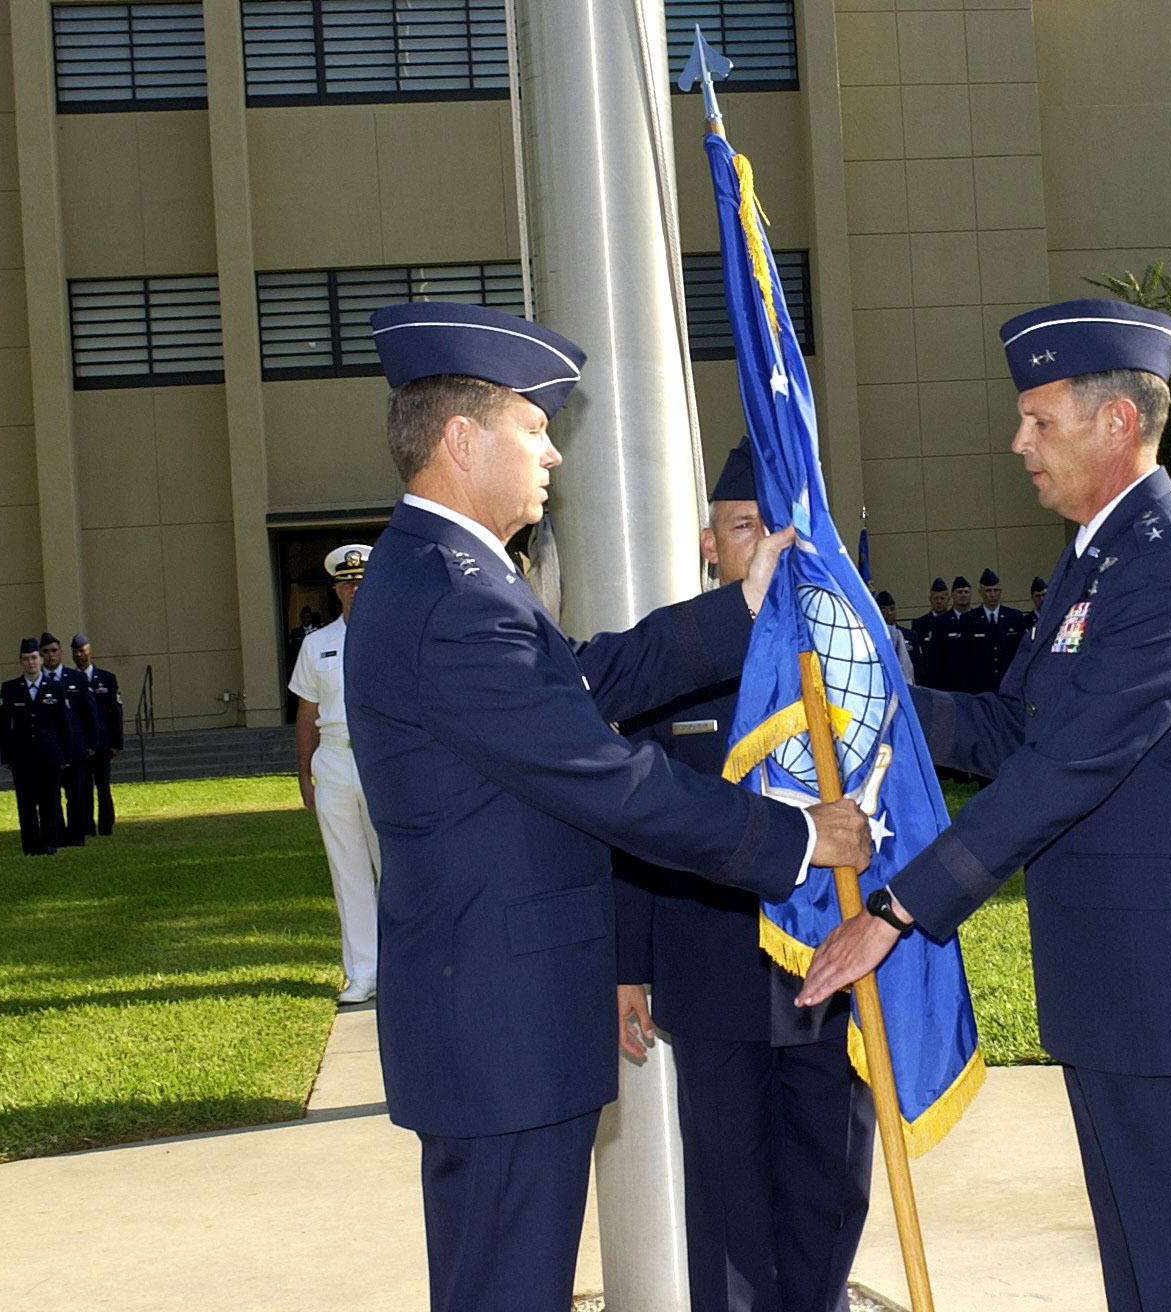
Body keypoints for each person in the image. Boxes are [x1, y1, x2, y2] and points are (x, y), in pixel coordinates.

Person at [341, 301, 873, 1312]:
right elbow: (608, 775)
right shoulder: (455, 598)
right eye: (532, 427)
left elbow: (582, 682)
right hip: (500, 1023)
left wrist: (743, 607)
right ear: (460, 441)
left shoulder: (441, 576)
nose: (551, 451)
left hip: (491, 1012)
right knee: (506, 1284)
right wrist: (794, 836)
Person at [800, 297, 1171, 1312]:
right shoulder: (1098, 559)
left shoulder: (1170, 573)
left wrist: (895, 910)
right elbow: (1014, 731)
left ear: (1115, 422)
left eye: (1038, 420)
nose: (1017, 442)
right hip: (1108, 975)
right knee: (1140, 1261)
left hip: (1156, 981)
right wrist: (870, 700)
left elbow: (1064, 769)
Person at [615, 439, 875, 1312]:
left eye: (773, 527)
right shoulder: (672, 668)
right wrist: (627, 965)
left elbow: (900, 811)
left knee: (830, 1187)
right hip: (710, 964)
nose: (758, 542)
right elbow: (634, 831)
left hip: (828, 970)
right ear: (708, 544)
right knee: (729, 1201)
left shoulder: (855, 662)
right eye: (738, 527)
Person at [290, 545, 382, 1006]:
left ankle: (408, 968)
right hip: (334, 763)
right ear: (335, 589)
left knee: (396, 870)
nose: (355, 588)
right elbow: (307, 713)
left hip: (382, 763)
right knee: (348, 874)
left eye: (362, 580)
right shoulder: (316, 643)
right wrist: (305, 775)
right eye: (347, 582)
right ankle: (363, 973)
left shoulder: (394, 636)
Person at [0, 638, 68, 857]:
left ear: (41, 659)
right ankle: (30, 846)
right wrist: (6, 756)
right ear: (21, 661)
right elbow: (4, 726)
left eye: (34, 658)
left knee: (49, 802)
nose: (31, 663)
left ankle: (49, 844)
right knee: (26, 804)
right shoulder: (10, 689)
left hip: (49, 755)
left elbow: (63, 724)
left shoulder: (55, 687)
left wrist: (65, 755)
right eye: (26, 659)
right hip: (23, 757)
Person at [39, 632, 94, 847]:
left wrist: (90, 743)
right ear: (41, 656)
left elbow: (89, 713)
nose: (51, 656)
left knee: (76, 794)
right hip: (51, 748)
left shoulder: (77, 678)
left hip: (76, 747)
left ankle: (76, 835)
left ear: (61, 653)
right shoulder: (37, 681)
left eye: (54, 651)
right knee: (52, 796)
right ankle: (57, 835)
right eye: (46, 652)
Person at [69, 635, 123, 835]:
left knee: (103, 786)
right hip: (81, 744)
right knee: (83, 788)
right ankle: (87, 826)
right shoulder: (70, 680)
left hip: (102, 743)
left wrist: (116, 743)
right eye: (75, 652)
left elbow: (115, 712)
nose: (79, 655)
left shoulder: (107, 679)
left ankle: (106, 825)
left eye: (82, 651)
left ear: (90, 651)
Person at [965, 567, 1029, 693]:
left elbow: (1022, 650)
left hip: (1008, 682)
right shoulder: (969, 619)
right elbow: (966, 656)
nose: (993, 595)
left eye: (996, 590)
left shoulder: (1014, 617)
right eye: (988, 591)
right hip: (980, 685)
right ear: (980, 593)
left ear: (1001, 591)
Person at [909, 578, 949, 687]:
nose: (939, 601)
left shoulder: (956, 621)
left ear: (948, 599)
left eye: (942, 598)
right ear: (930, 600)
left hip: (952, 677)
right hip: (930, 677)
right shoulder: (920, 624)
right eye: (936, 598)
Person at [876, 588, 916, 683]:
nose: (889, 613)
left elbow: (917, 667)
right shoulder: (871, 636)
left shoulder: (909, 635)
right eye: (883, 610)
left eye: (892, 609)